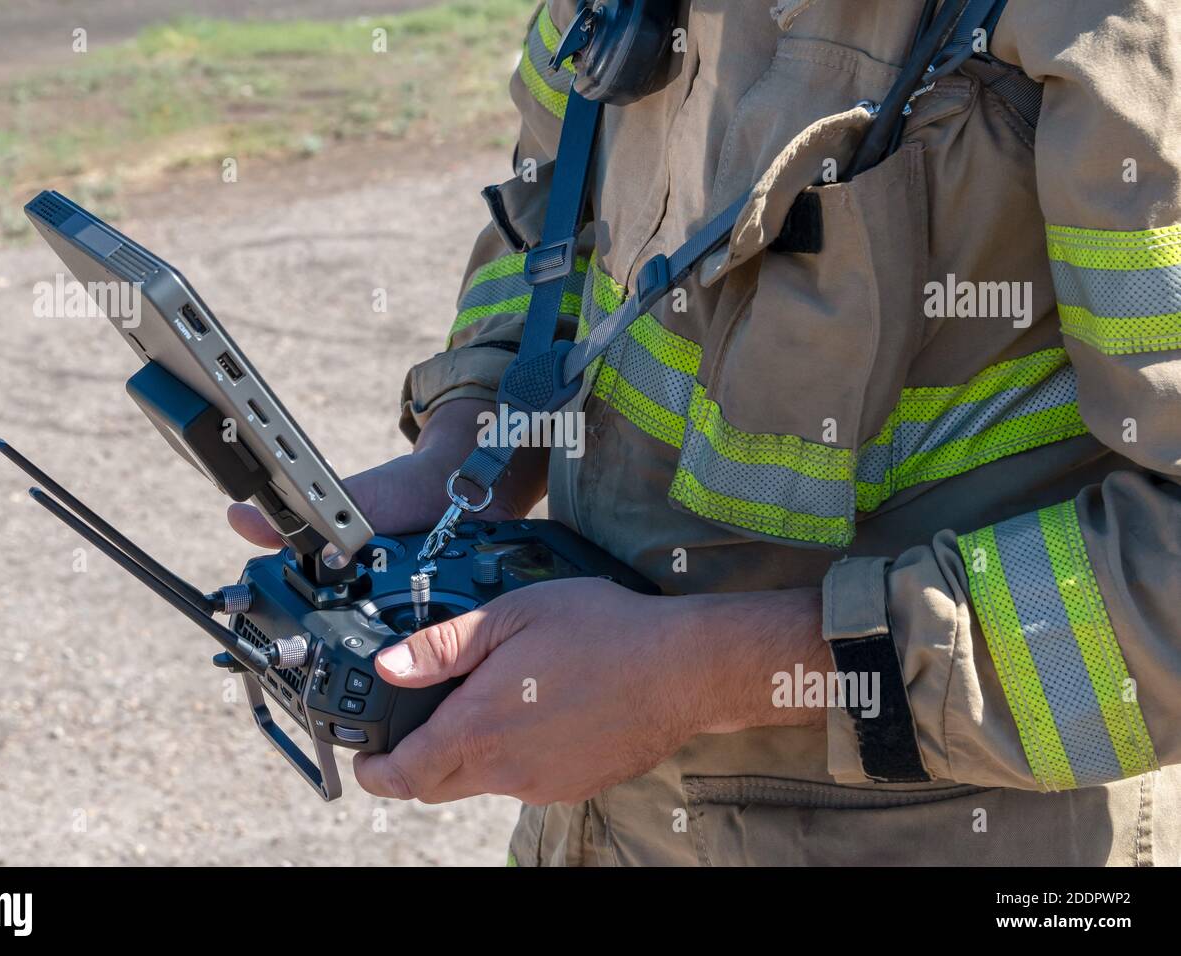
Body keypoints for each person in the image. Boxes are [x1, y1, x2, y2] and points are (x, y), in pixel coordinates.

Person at [230, 0, 1181, 865]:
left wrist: (697, 674)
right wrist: (465, 451)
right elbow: (546, 228)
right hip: (600, 824)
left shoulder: (1115, 33)